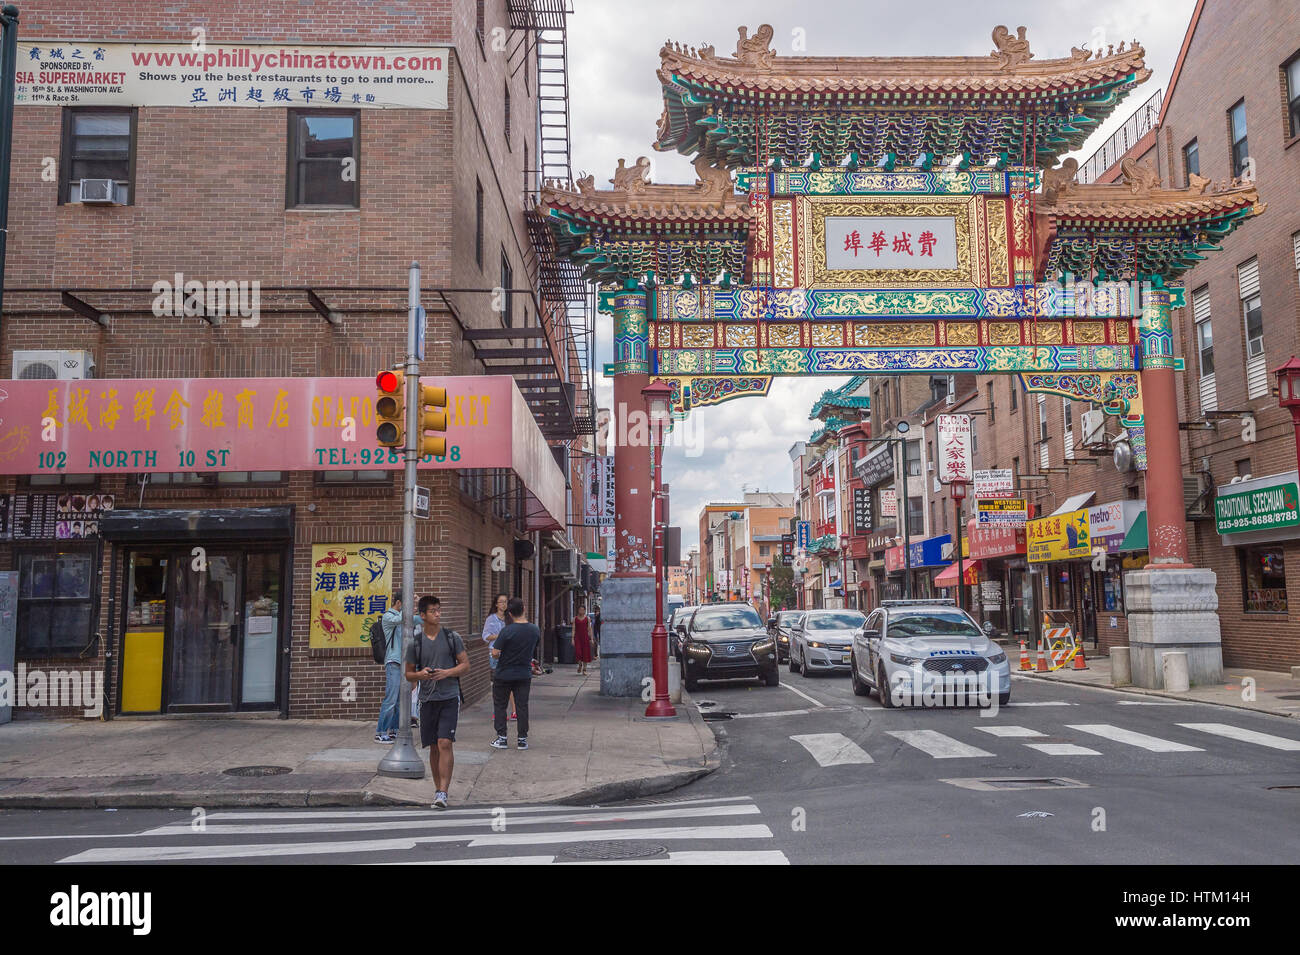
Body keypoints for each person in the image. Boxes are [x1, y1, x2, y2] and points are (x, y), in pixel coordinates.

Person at [404, 595, 469, 810]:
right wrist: (421, 674)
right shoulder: (416, 643)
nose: (437, 614)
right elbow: (408, 674)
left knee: (445, 743)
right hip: (427, 699)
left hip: (449, 697)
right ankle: (437, 790)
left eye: (439, 610)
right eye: (433, 611)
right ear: (422, 615)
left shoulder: (452, 637)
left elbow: (465, 664)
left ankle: (444, 791)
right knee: (433, 746)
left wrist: (448, 672)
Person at [489, 597, 541, 750]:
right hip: (524, 674)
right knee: (522, 706)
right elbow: (533, 648)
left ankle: (502, 738)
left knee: (500, 705)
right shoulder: (534, 630)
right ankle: (522, 739)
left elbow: (495, 652)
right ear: (524, 609)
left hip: (504, 674)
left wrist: (500, 654)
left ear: (510, 614)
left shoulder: (507, 631)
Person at [482, 593, 517, 721]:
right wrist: (500, 635)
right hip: (495, 653)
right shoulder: (491, 619)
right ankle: (498, 712)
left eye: (505, 602)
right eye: (501, 602)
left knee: (510, 683)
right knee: (499, 684)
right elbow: (485, 636)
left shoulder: (510, 618)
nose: (504, 604)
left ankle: (514, 711)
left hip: (509, 654)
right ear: (496, 604)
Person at [374, 593, 404, 743]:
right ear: (399, 603)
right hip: (392, 662)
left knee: (398, 700)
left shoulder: (398, 616)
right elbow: (401, 619)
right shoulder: (388, 616)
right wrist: (411, 606)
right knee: (390, 699)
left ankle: (393, 730)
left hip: (400, 662)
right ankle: (380, 732)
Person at [573, 602, 593, 676]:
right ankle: (580, 664)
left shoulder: (588, 619)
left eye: (582, 610)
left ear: (585, 611)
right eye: (580, 610)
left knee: (585, 653)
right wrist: (572, 638)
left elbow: (590, 629)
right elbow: (573, 629)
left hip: (585, 637)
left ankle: (584, 669)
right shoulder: (575, 618)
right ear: (578, 610)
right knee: (578, 652)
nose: (581, 611)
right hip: (577, 637)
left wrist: (592, 638)